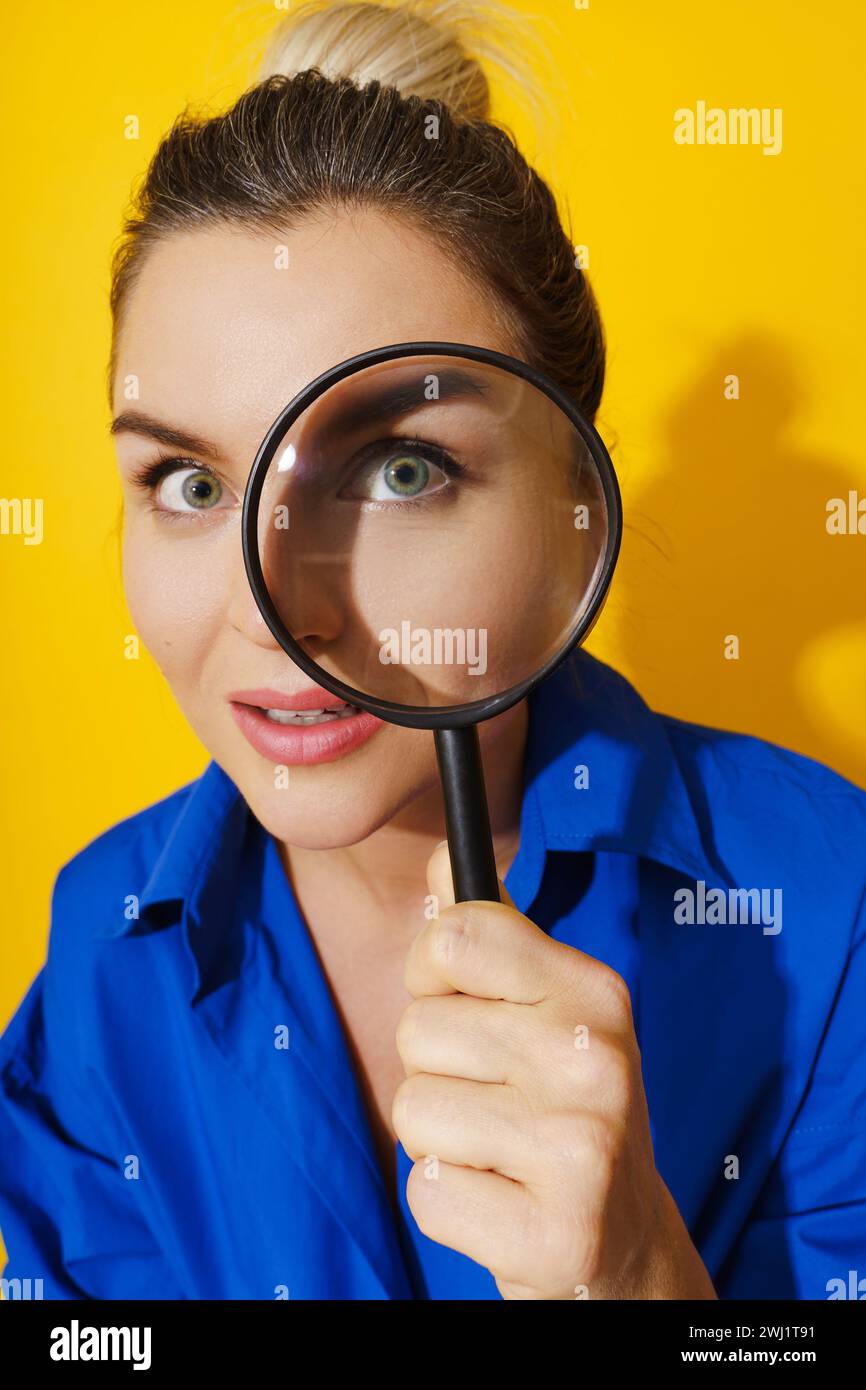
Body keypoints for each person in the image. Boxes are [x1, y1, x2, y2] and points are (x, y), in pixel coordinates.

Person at [1, 0, 864, 1302]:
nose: (270, 604)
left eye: (399, 468)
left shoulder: (833, 914)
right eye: (185, 481)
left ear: (569, 502)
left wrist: (643, 1281)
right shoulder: (100, 949)